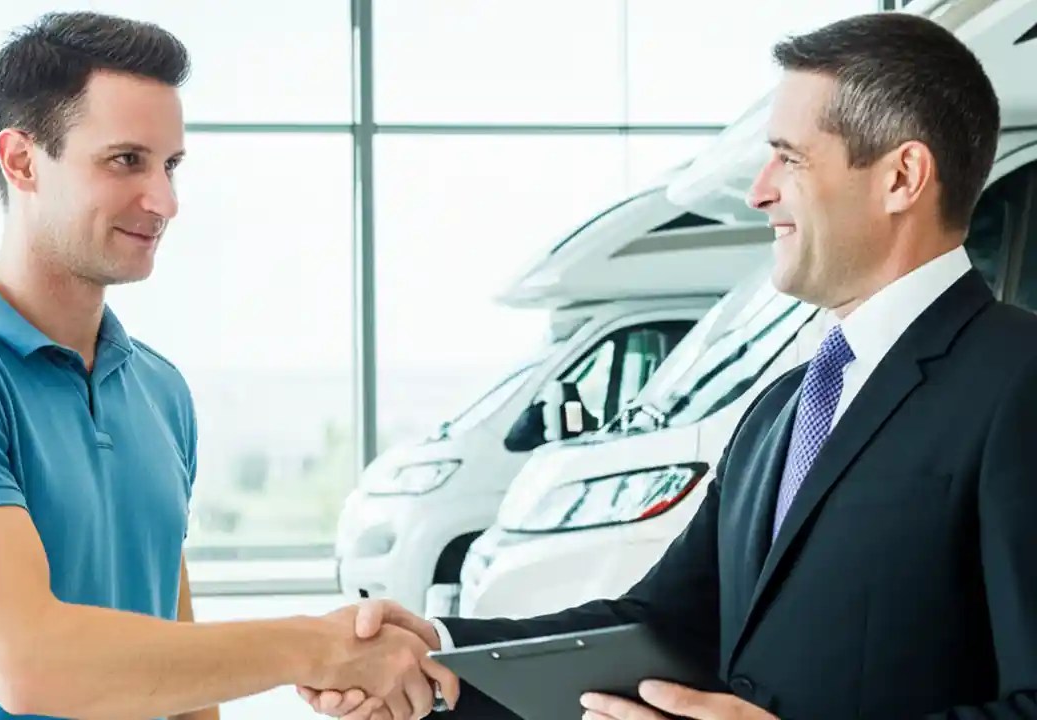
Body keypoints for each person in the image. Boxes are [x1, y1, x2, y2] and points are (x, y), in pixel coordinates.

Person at [301, 11, 1037, 720]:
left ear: (902, 177)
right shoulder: (784, 406)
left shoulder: (1019, 382)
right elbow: (668, 625)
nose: (760, 192)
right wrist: (437, 658)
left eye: (788, 157)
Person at [0, 11, 455, 720]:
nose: (164, 200)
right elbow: (28, 661)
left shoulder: (158, 390)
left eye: (170, 165)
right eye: (125, 160)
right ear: (21, 161)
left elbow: (176, 652)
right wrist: (315, 647)